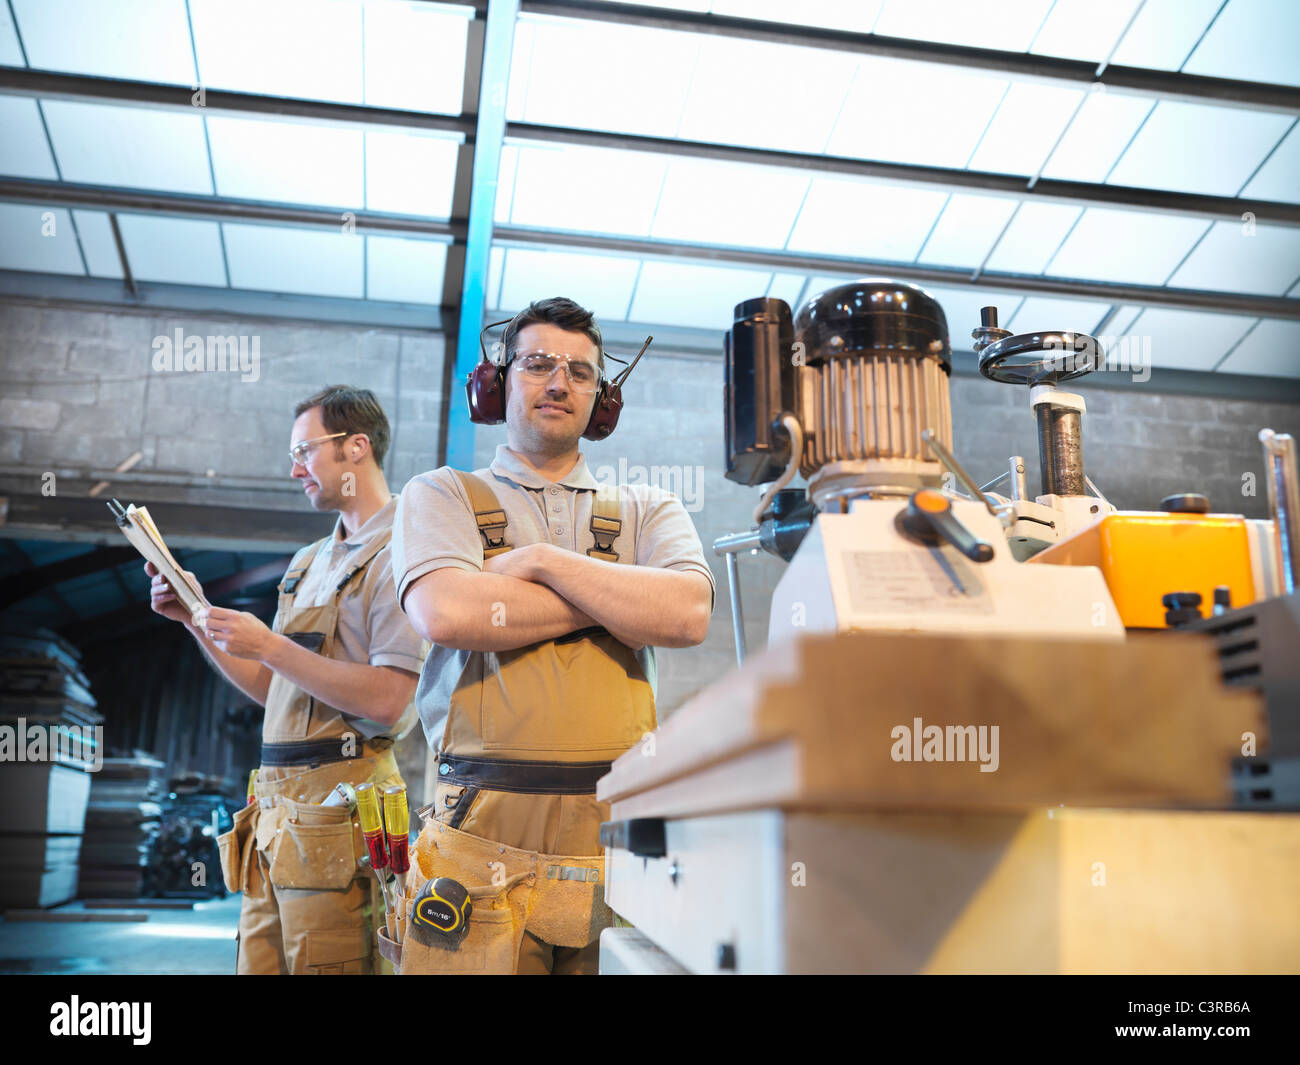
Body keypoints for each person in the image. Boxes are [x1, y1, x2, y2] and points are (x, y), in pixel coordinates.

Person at [392, 297, 713, 975]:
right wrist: (618, 597)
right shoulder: (441, 494)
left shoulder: (649, 507)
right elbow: (447, 613)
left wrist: (541, 564)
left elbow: (685, 614)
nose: (558, 382)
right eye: (537, 364)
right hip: (477, 844)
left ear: (602, 398)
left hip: (613, 848)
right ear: (499, 381)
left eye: (580, 371)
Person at [147, 385, 425, 974]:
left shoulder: (404, 551)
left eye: (305, 450)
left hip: (340, 803)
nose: (294, 468)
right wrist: (196, 620)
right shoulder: (309, 562)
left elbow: (389, 702)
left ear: (356, 447)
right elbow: (277, 690)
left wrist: (270, 644)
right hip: (275, 807)